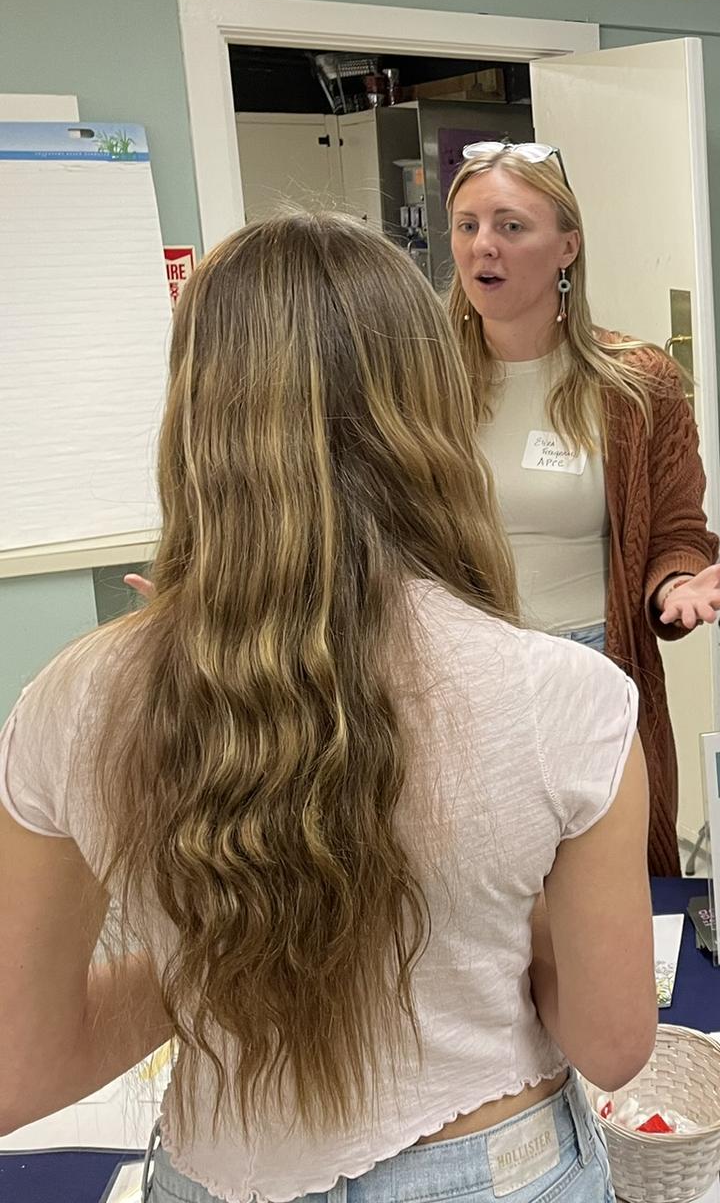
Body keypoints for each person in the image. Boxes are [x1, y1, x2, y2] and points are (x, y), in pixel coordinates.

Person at [0, 214, 654, 1202]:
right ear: (431, 404)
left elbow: (22, 1062)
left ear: (193, 410)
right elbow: (611, 1045)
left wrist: (220, 948)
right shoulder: (569, 701)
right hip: (495, 1168)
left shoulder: (73, 701)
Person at [447, 141, 720, 878]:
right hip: (454, 684)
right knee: (479, 905)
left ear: (567, 248)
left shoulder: (637, 382)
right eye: (467, 224)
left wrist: (676, 585)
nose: (484, 245)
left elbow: (676, 528)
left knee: (601, 899)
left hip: (590, 675)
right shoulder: (413, 381)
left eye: (512, 226)